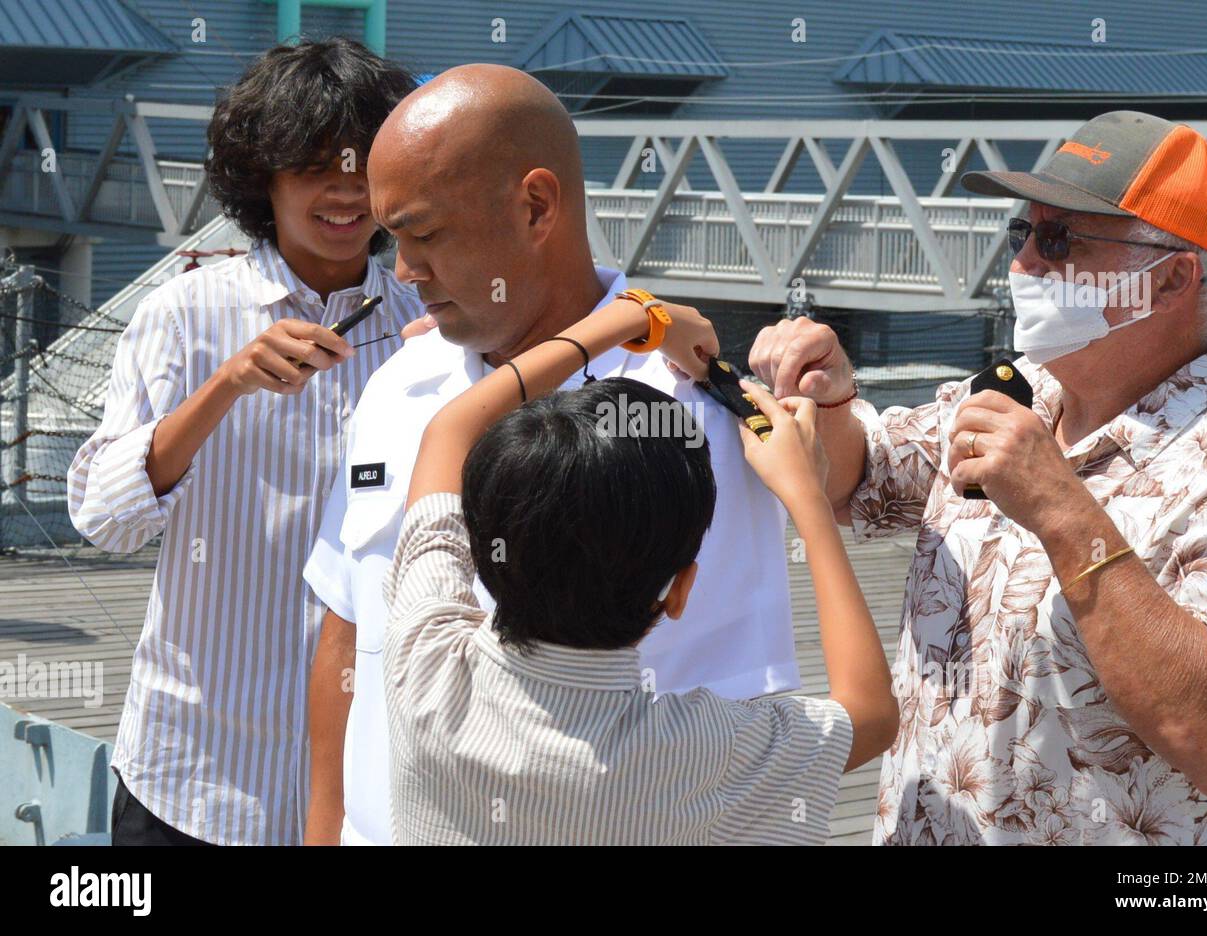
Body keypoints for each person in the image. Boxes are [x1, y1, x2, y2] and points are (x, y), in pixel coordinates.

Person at [750, 110, 1207, 845]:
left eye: (1061, 239)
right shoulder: (1014, 394)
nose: (1024, 264)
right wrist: (835, 396)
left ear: (1170, 280)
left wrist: (1063, 511)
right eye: (1024, 233)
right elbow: (861, 478)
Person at [302, 65, 800, 845]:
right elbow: (346, 635)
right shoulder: (397, 387)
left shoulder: (686, 423)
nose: (402, 271)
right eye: (389, 238)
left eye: (424, 234)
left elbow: (740, 697)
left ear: (536, 207)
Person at [382, 291, 898, 845]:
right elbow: (868, 715)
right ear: (680, 592)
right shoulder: (702, 751)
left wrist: (634, 317)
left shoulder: (425, 669)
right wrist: (808, 498)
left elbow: (450, 431)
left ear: (484, 555)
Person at [66, 38, 418, 845]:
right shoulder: (184, 313)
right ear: (263, 178)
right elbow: (103, 518)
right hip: (192, 770)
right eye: (311, 167)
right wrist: (223, 386)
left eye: (363, 167)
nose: (343, 192)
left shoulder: (428, 327)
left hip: (366, 783)